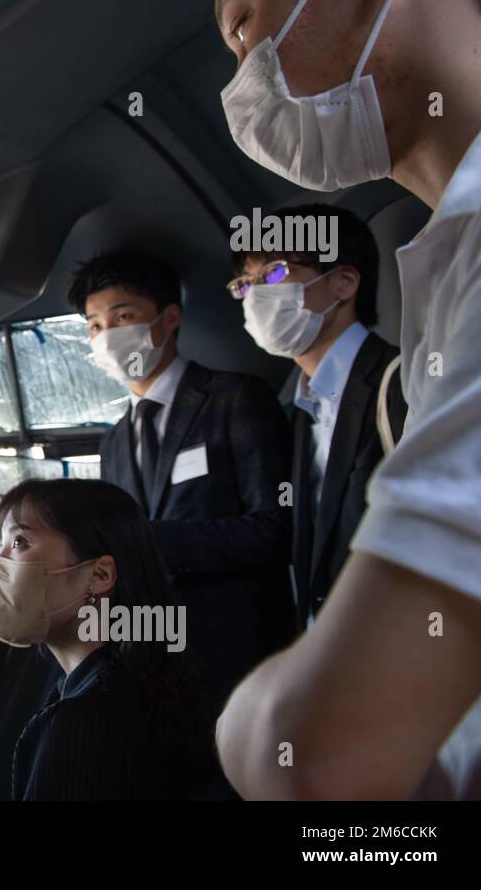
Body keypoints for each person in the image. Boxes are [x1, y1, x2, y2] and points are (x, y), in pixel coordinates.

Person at [177, 0, 481, 799]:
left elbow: (319, 751)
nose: (241, 85)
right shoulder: (449, 275)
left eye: (245, 30)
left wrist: (254, 726)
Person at [68, 250, 294, 707]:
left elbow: (276, 529)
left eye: (123, 316)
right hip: (153, 668)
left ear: (170, 318)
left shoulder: (235, 399)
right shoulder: (112, 443)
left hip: (242, 654)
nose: (107, 336)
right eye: (94, 326)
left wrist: (147, 543)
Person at [0, 479, 217, 800]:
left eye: (19, 542)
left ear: (100, 575)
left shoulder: (82, 723)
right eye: (1, 545)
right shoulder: (143, 687)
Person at [230, 203, 405, 632]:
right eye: (245, 284)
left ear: (343, 282)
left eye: (274, 274)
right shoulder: (294, 413)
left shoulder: (403, 383)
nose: (257, 296)